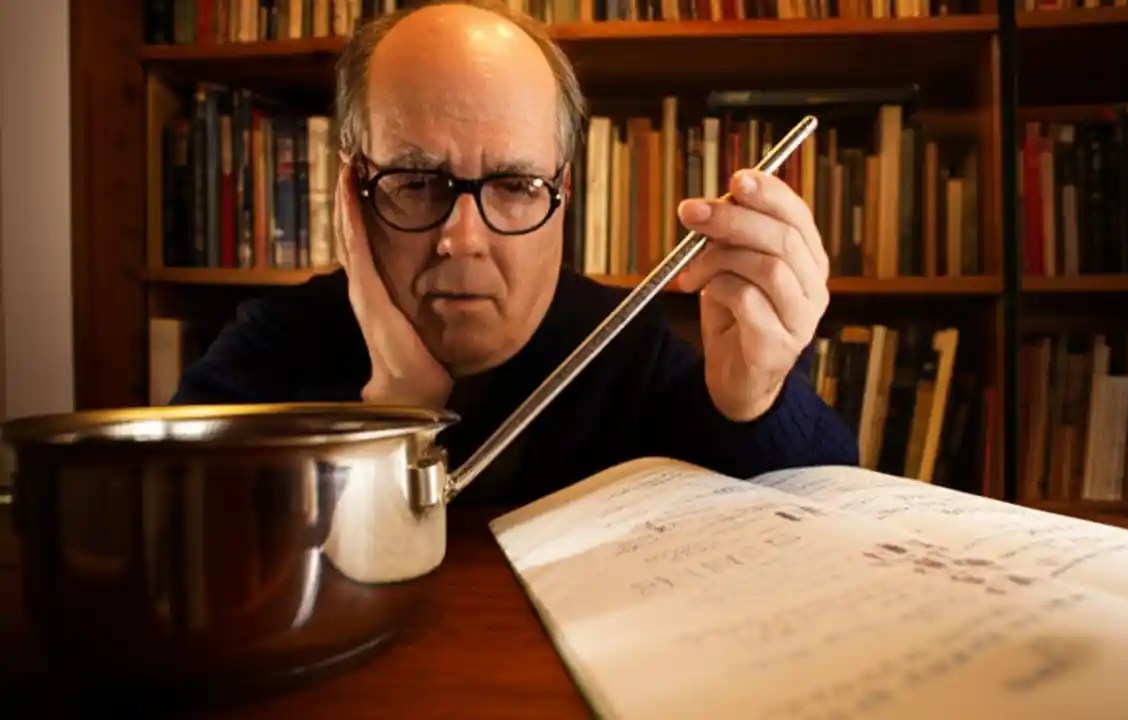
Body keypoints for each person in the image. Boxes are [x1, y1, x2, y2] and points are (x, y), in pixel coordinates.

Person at [172, 0, 859, 504]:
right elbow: (181, 533)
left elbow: (814, 504)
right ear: (352, 191)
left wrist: (755, 404)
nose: (463, 239)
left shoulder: (631, 347)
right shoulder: (272, 343)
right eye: (415, 182)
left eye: (515, 185)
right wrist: (394, 418)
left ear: (561, 189)